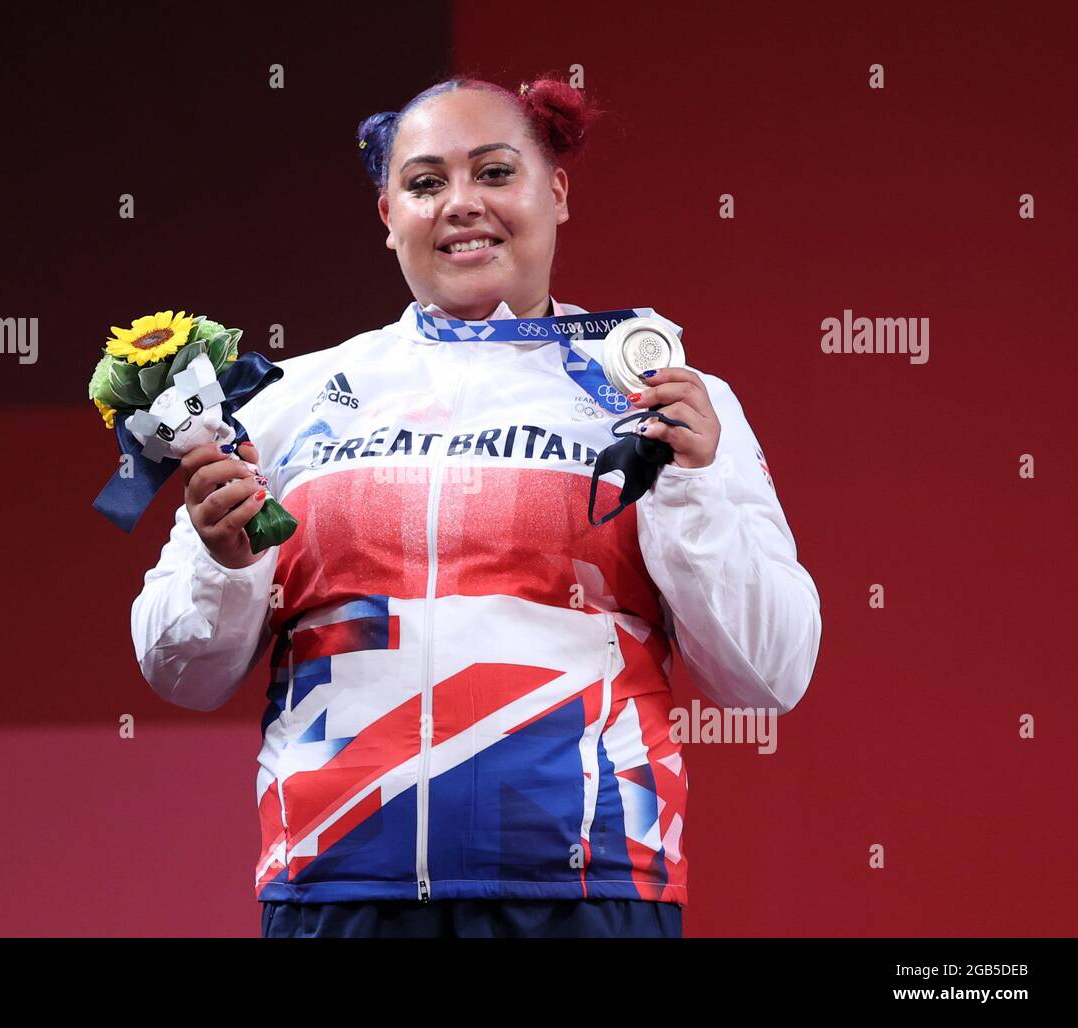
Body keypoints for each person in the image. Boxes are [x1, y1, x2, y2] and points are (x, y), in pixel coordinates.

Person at [130, 74, 822, 939]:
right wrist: (220, 563)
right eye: (425, 183)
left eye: (495, 173)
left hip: (590, 888)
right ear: (388, 215)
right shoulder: (287, 400)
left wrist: (686, 483)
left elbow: (770, 671)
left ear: (556, 192)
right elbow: (180, 673)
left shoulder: (666, 398)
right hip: (333, 890)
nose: (461, 203)